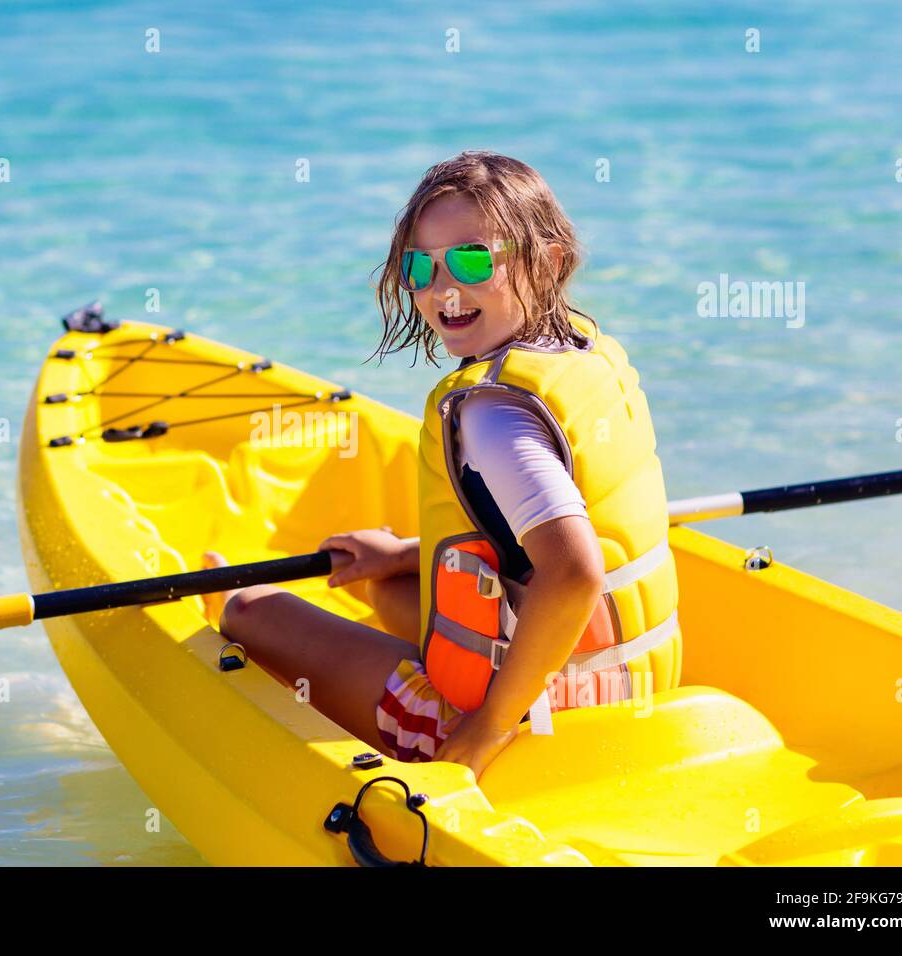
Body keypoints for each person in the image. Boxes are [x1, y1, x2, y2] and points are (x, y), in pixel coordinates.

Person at [203, 151, 681, 781]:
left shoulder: (493, 415)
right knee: (390, 588)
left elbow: (572, 573)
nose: (442, 289)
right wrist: (407, 554)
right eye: (420, 267)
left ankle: (227, 609)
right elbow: (533, 545)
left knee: (249, 612)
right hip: (623, 694)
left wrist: (489, 727)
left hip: (525, 726)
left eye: (472, 260)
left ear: (549, 261)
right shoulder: (582, 354)